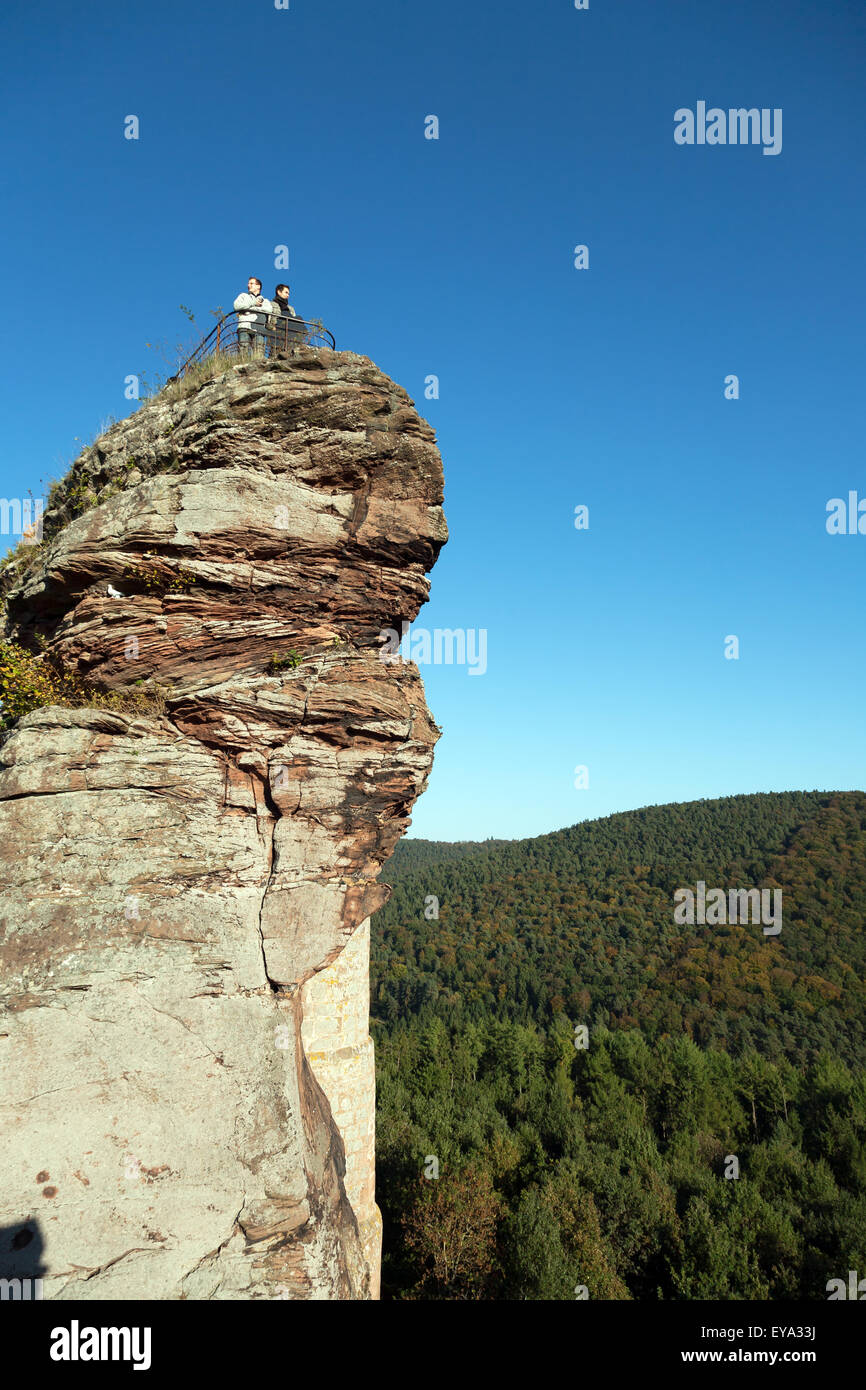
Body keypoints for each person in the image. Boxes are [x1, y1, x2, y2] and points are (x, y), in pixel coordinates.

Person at [233, 276, 273, 354]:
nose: (248, 285)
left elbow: (269, 310)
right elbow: (236, 306)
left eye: (251, 283)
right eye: (248, 283)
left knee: (259, 354)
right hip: (244, 326)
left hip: (259, 329)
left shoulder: (265, 301)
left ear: (258, 286)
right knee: (243, 352)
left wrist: (249, 309)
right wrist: (253, 303)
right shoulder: (243, 296)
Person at [270, 283, 306, 353]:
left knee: (299, 318)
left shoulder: (290, 308)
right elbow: (269, 318)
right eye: (286, 292)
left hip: (289, 332)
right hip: (277, 329)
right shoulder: (271, 304)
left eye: (288, 294)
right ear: (279, 292)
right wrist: (271, 327)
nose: (288, 295)